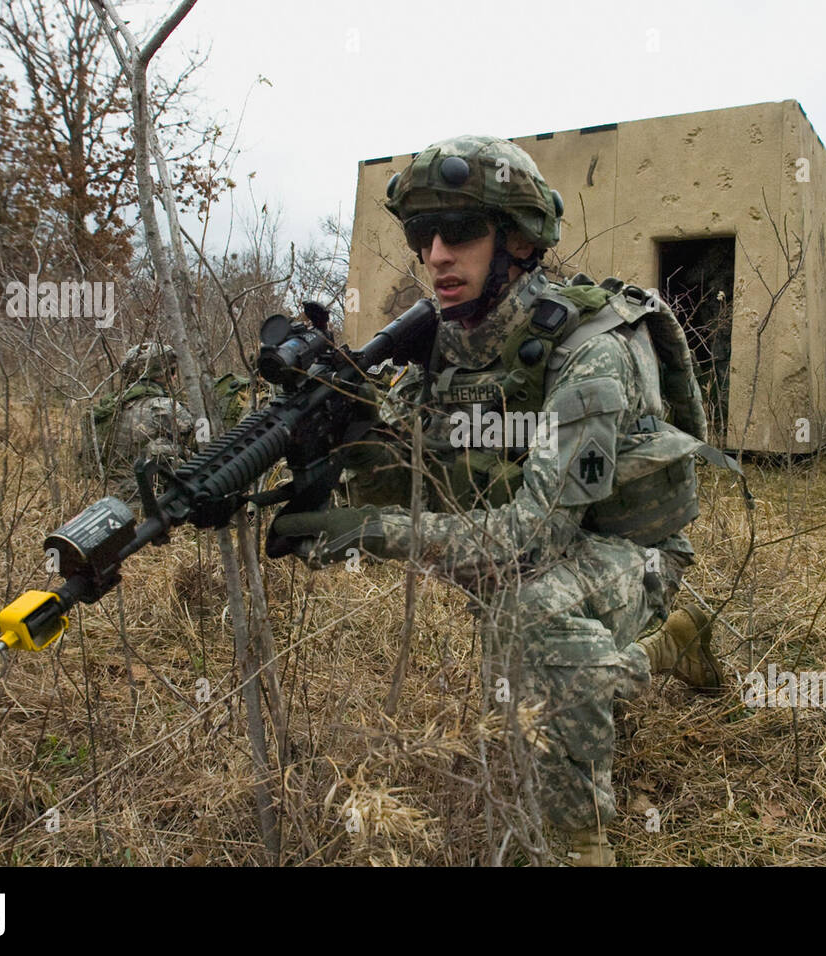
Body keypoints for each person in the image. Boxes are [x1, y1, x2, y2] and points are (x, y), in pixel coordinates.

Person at [267, 135, 731, 866]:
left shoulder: (589, 348)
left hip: (631, 548)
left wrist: (371, 530)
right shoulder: (452, 343)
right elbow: (416, 468)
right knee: (522, 607)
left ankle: (570, 842)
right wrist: (334, 446)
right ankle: (666, 643)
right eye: (424, 236)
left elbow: (533, 539)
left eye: (461, 233)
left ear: (516, 239)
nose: (437, 255)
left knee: (529, 609)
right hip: (552, 544)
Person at [82, 342, 195, 500]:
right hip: (155, 498)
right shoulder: (164, 407)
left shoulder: (110, 405)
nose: (175, 376)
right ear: (161, 374)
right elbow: (199, 447)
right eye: (172, 370)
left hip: (108, 495)